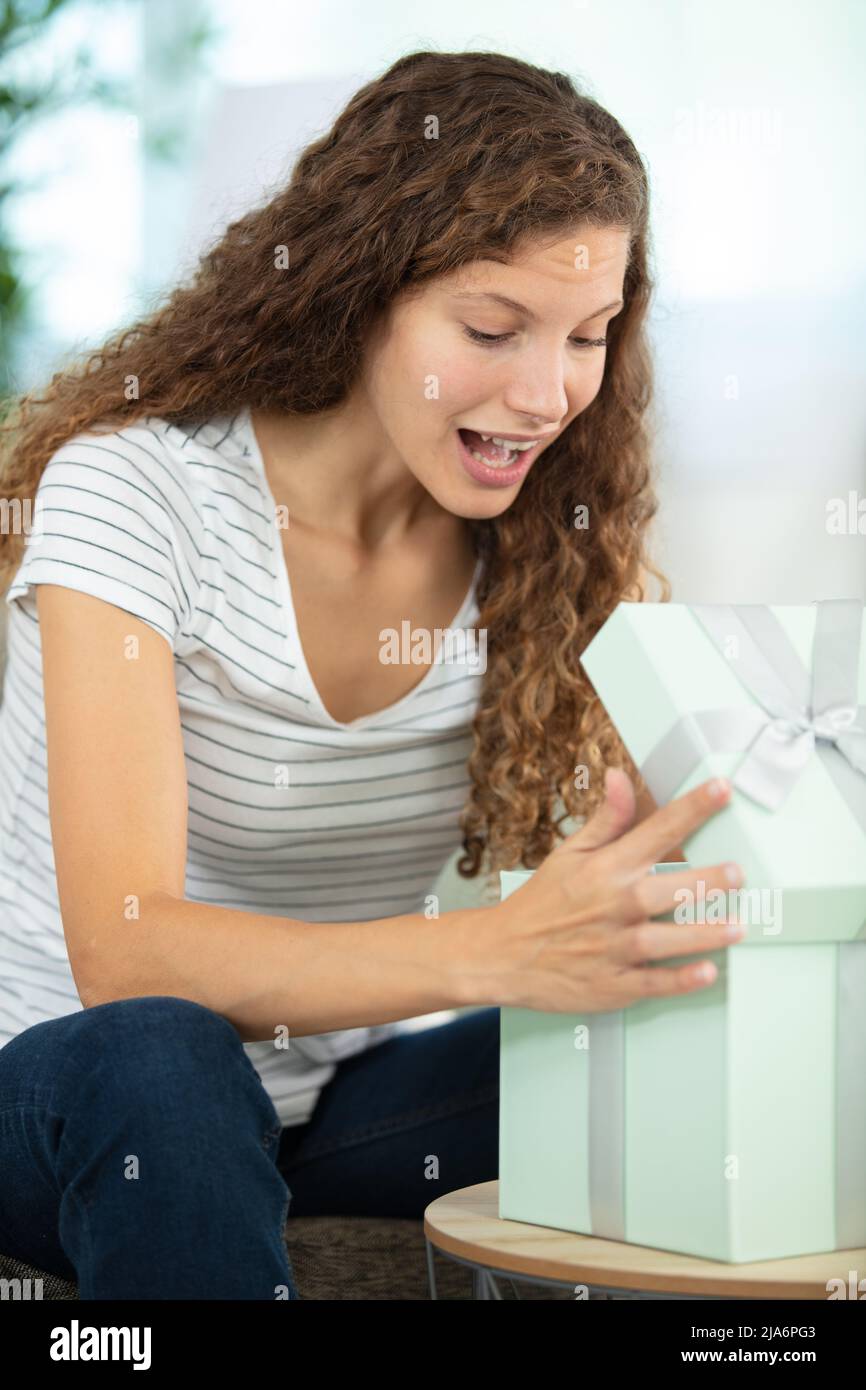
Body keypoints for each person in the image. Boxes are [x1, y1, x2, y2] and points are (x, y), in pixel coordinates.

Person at [0, 50, 744, 1300]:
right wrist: (501, 948)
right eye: (491, 328)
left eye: (589, 335)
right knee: (166, 1058)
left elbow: (627, 864)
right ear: (359, 293)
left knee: (679, 1033)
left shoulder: (545, 546)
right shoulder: (135, 492)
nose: (547, 391)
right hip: (75, 1094)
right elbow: (124, 954)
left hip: (335, 1106)